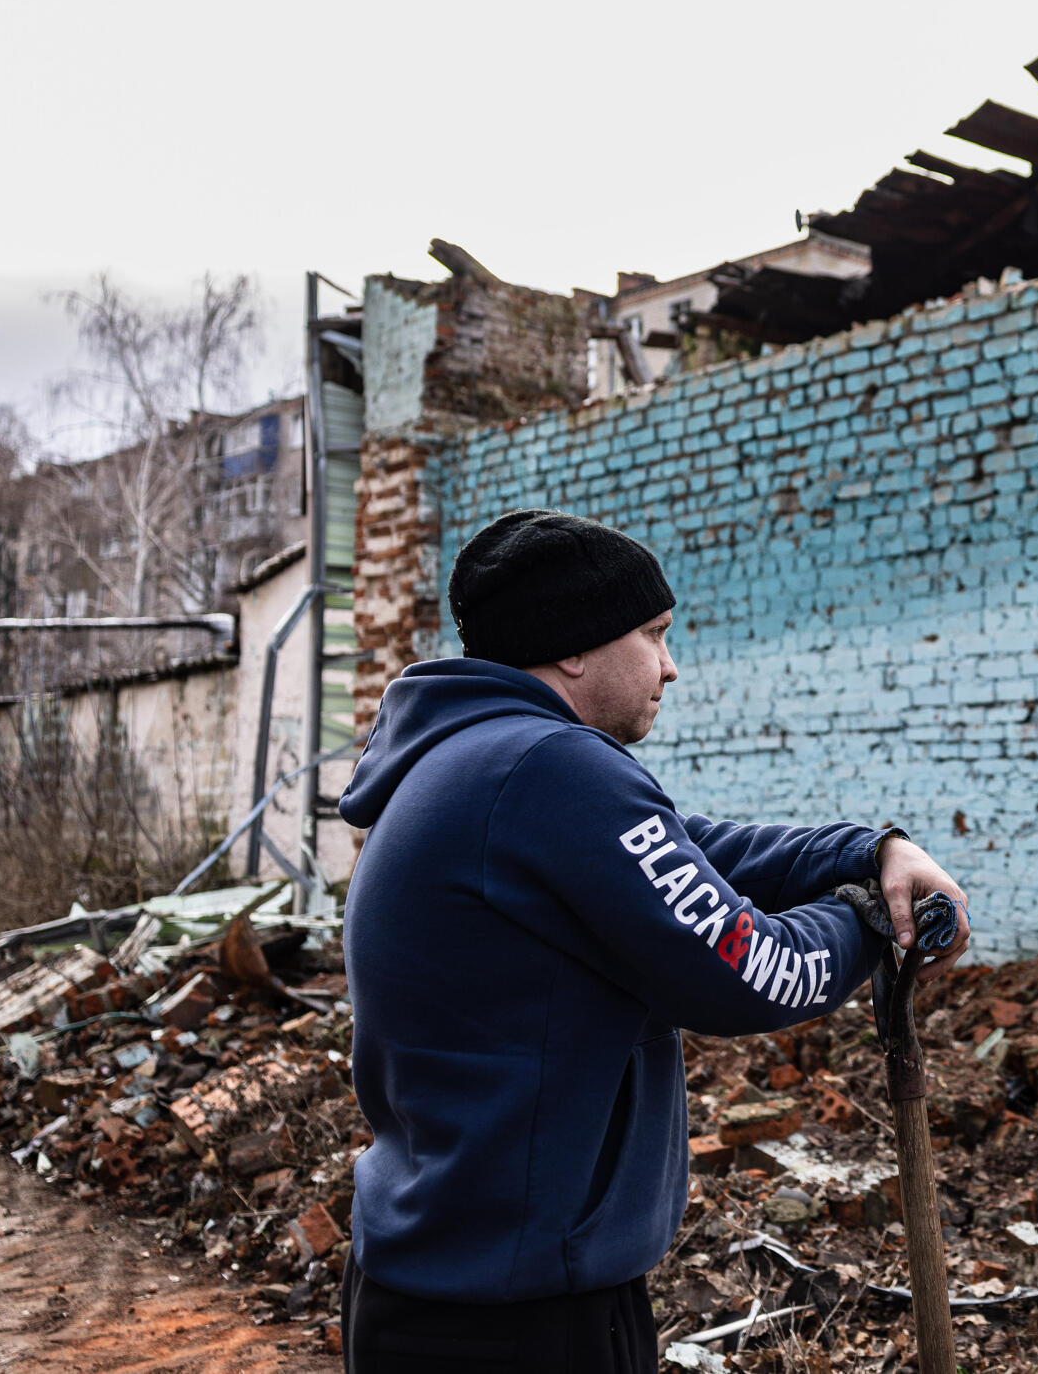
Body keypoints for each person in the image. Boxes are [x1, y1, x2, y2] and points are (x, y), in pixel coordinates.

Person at [336, 509, 968, 1373]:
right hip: (519, 1323)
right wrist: (869, 916)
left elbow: (689, 847)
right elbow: (754, 971)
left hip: (441, 1281)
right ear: (574, 645)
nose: (670, 665)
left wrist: (867, 850)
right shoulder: (549, 766)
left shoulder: (473, 756)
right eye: (654, 633)